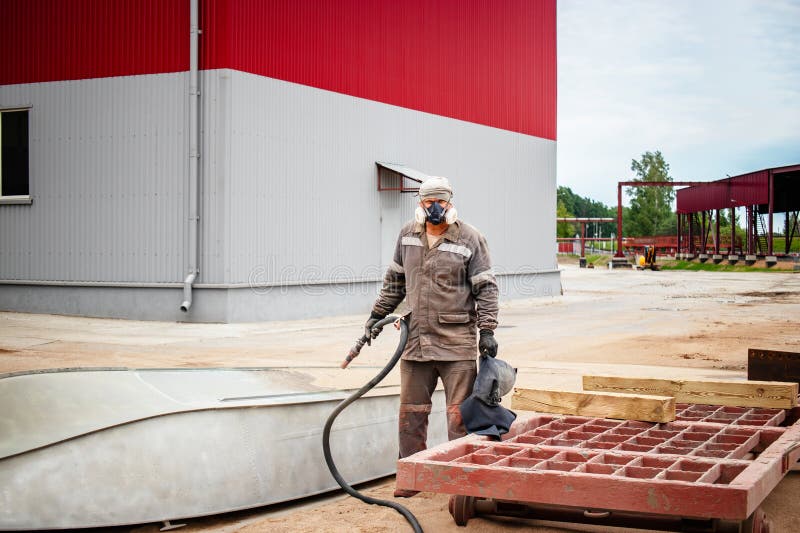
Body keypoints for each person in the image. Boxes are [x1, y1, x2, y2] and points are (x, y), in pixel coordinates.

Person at [365, 176, 499, 497]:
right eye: (429, 202)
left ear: (450, 203)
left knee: (460, 417)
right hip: (414, 344)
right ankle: (413, 479)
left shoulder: (470, 238)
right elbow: (395, 282)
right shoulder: (407, 236)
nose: (436, 208)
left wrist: (488, 329)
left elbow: (486, 287)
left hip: (456, 345)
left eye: (441, 201)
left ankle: (462, 486)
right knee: (411, 414)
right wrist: (377, 315)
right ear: (421, 204)